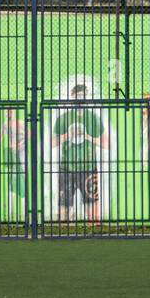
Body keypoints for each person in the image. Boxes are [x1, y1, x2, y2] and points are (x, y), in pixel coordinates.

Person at [51, 84, 110, 222]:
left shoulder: (93, 118)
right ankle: (62, 237)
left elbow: (106, 144)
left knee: (93, 212)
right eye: (78, 96)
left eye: (83, 96)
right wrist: (67, 135)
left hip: (89, 168)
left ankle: (94, 237)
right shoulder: (64, 118)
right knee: (63, 210)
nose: (80, 99)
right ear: (72, 97)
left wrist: (88, 136)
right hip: (67, 168)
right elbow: (51, 142)